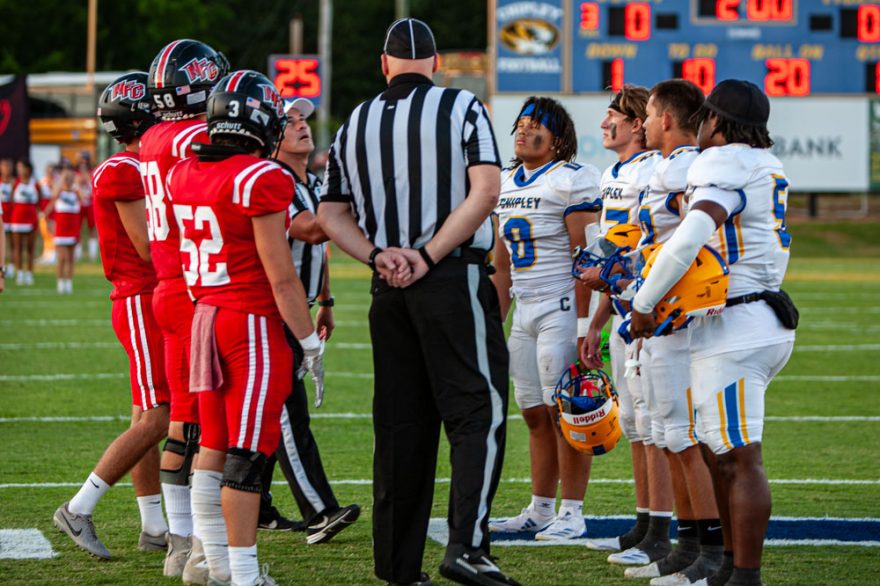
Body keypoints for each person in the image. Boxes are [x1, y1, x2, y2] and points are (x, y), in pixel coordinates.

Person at [318, 18, 519, 586]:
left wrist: (381, 254)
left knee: (401, 424)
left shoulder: (353, 121)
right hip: (448, 279)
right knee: (478, 411)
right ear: (436, 64)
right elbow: (486, 190)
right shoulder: (461, 108)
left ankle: (397, 565)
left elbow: (333, 215)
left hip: (389, 288)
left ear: (384, 65)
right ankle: (468, 546)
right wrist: (427, 255)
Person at [630, 79, 796, 586]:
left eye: (706, 116)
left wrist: (643, 302)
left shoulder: (725, 161)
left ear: (718, 123)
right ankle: (726, 566)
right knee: (717, 449)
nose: (699, 125)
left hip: (738, 327)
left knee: (740, 457)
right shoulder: (763, 164)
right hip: (751, 318)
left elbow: (690, 237)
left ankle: (744, 576)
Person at [168, 69, 324, 586]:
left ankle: (209, 562)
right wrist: (307, 344)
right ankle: (244, 575)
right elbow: (282, 280)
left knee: (211, 446)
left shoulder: (184, 172)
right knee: (247, 458)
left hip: (203, 320)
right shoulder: (261, 178)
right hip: (249, 324)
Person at [53, 72, 170, 560]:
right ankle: (79, 508)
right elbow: (146, 246)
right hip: (140, 296)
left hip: (143, 296)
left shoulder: (133, 164)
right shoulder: (123, 169)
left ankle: (154, 527)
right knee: (160, 416)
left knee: (145, 414)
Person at [616, 80, 724, 586]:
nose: (646, 121)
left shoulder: (687, 168)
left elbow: (692, 238)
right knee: (664, 433)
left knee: (681, 437)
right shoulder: (669, 167)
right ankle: (686, 544)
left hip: (676, 317)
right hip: (653, 313)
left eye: (651, 112)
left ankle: (707, 548)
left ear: (664, 118)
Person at [488, 97, 601, 541]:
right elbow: (501, 264)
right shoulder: (502, 181)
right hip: (525, 306)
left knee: (566, 411)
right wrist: (495, 322)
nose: (523, 129)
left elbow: (585, 256)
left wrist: (583, 325)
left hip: (560, 304)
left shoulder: (572, 180)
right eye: (520, 122)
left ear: (557, 139)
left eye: (535, 124)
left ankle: (572, 511)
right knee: (533, 412)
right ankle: (540, 507)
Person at [141, 37, 229, 581]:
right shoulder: (200, 137)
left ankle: (178, 541)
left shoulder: (152, 137)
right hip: (201, 288)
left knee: (182, 423)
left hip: (166, 284)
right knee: (213, 427)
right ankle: (202, 546)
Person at [257, 97, 361, 543]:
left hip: (298, 305)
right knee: (286, 412)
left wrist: (327, 299)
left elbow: (321, 246)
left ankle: (256, 505)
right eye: (291, 121)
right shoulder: (273, 179)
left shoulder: (310, 181)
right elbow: (311, 229)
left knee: (271, 413)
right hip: (272, 310)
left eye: (303, 119)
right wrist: (364, 196)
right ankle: (319, 511)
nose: (302, 126)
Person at [579, 86, 674, 565]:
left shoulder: (653, 169)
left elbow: (651, 241)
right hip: (620, 310)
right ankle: (644, 523)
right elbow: (610, 251)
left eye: (612, 115)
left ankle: (661, 531)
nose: (603, 124)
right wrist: (596, 319)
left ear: (638, 123)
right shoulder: (612, 173)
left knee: (658, 426)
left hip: (648, 312)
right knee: (636, 426)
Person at [45, 168, 82, 294]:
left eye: (71, 177)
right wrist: (50, 225)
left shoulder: (76, 193)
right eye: (66, 177)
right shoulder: (58, 192)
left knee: (71, 258)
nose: (68, 179)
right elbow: (47, 211)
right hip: (61, 229)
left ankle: (69, 283)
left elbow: (85, 201)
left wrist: (77, 186)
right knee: (62, 257)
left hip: (73, 229)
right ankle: (61, 283)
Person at [8, 159, 42, 285]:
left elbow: (39, 201)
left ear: (28, 169)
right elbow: (11, 201)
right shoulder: (15, 183)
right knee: (18, 247)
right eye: (18, 168)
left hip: (31, 219)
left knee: (30, 248)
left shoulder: (35, 184)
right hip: (17, 219)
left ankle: (29, 273)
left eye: (21, 167)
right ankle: (20, 273)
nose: (19, 170)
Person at [0, 158, 15, 279]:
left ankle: (11, 267)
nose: (6, 169)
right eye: (4, 166)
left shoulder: (15, 182)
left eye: (8, 166)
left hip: (11, 216)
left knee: (11, 243)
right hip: (2, 215)